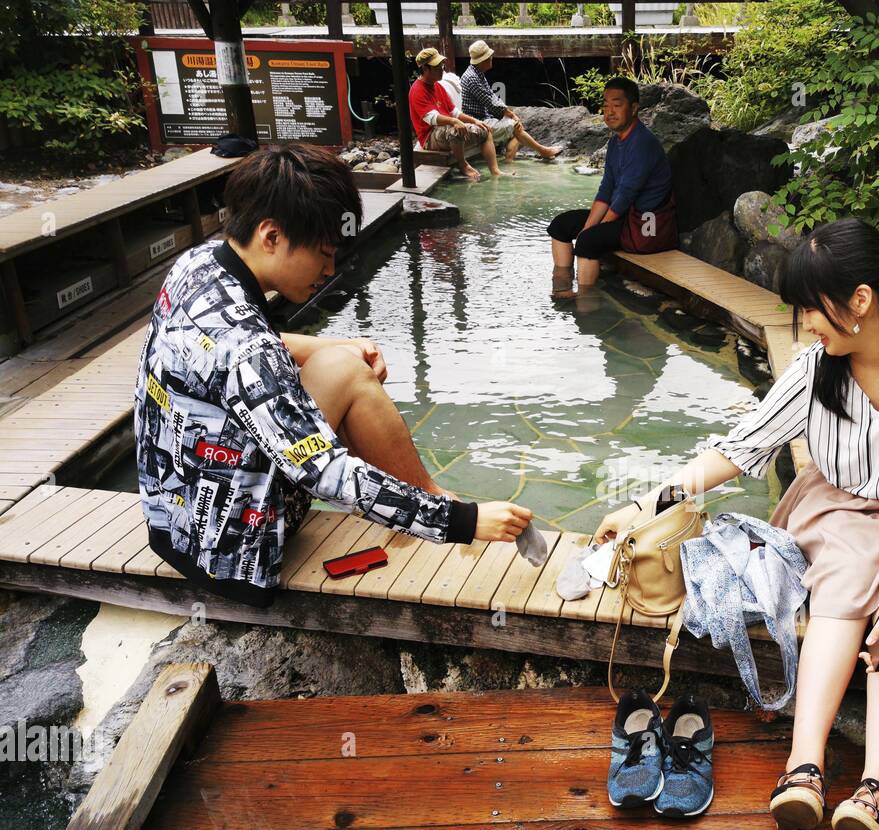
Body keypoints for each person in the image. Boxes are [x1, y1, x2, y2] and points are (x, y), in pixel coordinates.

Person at [595, 219, 879, 830]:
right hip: (838, 512)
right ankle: (804, 770)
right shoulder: (818, 367)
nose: (805, 323)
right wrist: (645, 504)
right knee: (842, 582)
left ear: (860, 300)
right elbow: (740, 448)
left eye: (812, 308)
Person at [134, 143, 532, 607]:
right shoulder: (246, 348)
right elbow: (324, 472)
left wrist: (336, 345)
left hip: (175, 519)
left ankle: (428, 497)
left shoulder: (199, 263)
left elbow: (247, 345)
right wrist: (464, 523)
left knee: (341, 363)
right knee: (347, 380)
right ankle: (437, 503)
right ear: (271, 235)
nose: (329, 270)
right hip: (232, 553)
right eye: (323, 254)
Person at [548, 76, 677, 293]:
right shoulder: (615, 142)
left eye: (616, 105)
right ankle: (562, 287)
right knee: (561, 225)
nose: (609, 112)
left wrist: (592, 232)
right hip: (625, 218)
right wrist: (588, 227)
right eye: (606, 106)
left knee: (588, 241)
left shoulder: (642, 142)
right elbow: (606, 190)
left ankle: (584, 300)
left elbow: (625, 194)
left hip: (646, 226)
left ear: (633, 108)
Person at [407, 46, 505, 181]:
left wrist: (475, 121)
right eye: (437, 67)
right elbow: (432, 118)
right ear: (425, 69)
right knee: (455, 130)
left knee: (485, 130)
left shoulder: (438, 86)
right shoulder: (417, 90)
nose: (442, 70)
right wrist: (454, 121)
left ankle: (495, 172)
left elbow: (454, 112)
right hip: (429, 137)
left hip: (445, 130)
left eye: (442, 66)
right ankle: (463, 165)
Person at [460, 40, 561, 162]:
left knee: (516, 126)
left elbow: (493, 96)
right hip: (477, 122)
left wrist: (509, 114)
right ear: (483, 60)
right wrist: (511, 115)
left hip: (484, 118)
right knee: (515, 126)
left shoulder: (477, 73)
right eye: (489, 57)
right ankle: (543, 151)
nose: (491, 58)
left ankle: (509, 162)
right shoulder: (472, 78)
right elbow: (491, 103)